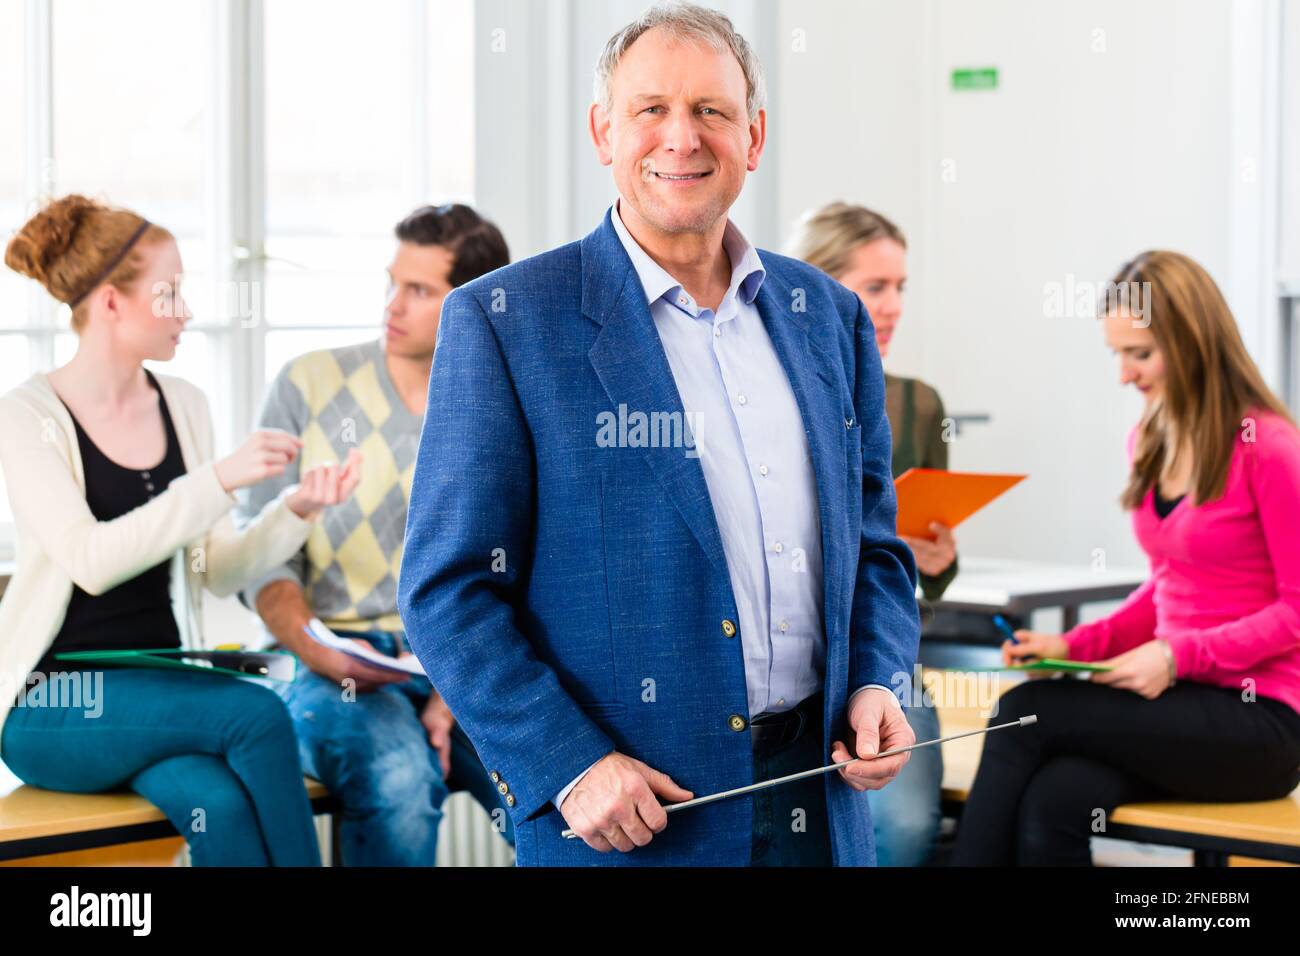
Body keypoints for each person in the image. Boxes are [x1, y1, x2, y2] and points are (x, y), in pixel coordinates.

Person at [398, 2, 921, 867]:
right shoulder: (505, 322)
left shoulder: (827, 316)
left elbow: (875, 548)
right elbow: (448, 591)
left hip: (819, 805)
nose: (682, 138)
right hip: (630, 822)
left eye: (711, 111)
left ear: (753, 137)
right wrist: (570, 766)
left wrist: (877, 677)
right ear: (604, 131)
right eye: (651, 110)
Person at [0, 195, 361, 866]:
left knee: (219, 805)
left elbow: (214, 568)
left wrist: (295, 510)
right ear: (110, 302)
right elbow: (90, 559)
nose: (187, 311)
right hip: (52, 707)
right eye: (169, 293)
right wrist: (217, 480)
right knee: (255, 715)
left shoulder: (184, 405)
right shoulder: (27, 417)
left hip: (161, 690)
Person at [952, 250, 1300, 865]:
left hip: (1261, 720)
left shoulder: (1268, 448)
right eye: (1116, 354)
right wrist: (1075, 647)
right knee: (1057, 799)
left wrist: (1176, 654)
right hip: (1175, 708)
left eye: (1138, 354)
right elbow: (1168, 584)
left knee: (1023, 710)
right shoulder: (1150, 437)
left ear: (1192, 342)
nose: (1123, 374)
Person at [238, 203, 514, 866]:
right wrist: (315, 647)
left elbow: (518, 567)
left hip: (466, 656)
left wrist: (451, 697)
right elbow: (259, 561)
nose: (393, 305)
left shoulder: (502, 396)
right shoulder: (308, 383)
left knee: (565, 792)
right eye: (392, 283)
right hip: (330, 657)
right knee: (396, 785)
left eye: (419, 291)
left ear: (471, 301)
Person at [788, 202, 954, 865]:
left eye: (900, 289)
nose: (890, 308)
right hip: (789, 660)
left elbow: (918, 579)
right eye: (874, 287)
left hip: (882, 656)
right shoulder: (762, 393)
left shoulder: (917, 403)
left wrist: (933, 562)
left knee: (905, 827)